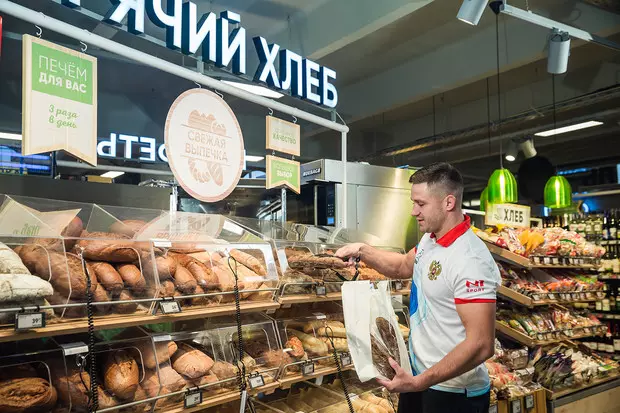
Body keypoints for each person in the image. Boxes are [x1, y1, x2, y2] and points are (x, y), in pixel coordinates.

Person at [336, 162, 500, 413]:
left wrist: (418, 382)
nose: (414, 211)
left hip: (453, 395)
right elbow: (402, 266)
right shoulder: (430, 240)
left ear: (448, 203)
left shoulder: (470, 260)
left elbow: (481, 343)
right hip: (419, 382)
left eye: (421, 204)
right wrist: (362, 250)